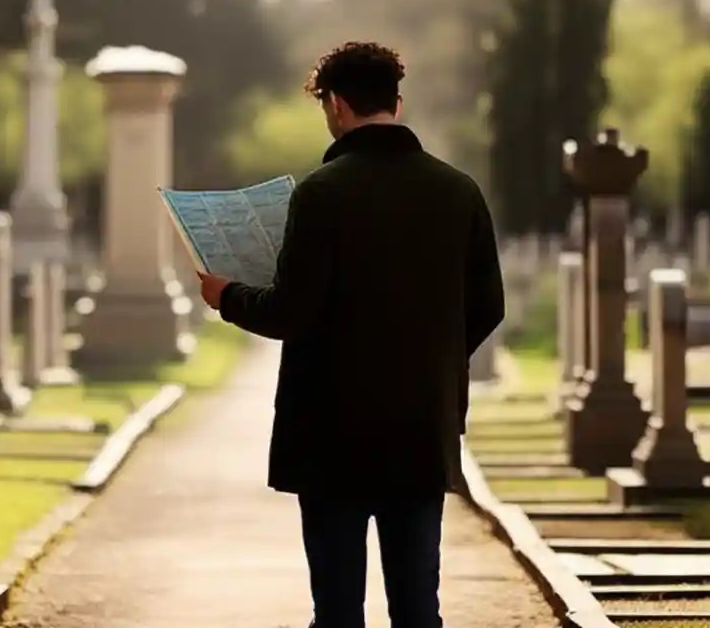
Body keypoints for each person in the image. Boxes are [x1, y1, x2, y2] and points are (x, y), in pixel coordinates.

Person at [198, 42, 504, 628]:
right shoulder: (458, 191)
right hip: (421, 424)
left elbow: (291, 311)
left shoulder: (321, 193)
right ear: (397, 100)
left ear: (336, 105)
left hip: (331, 433)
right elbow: (488, 305)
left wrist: (228, 297)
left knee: (337, 611)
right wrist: (429, 354)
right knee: (418, 610)